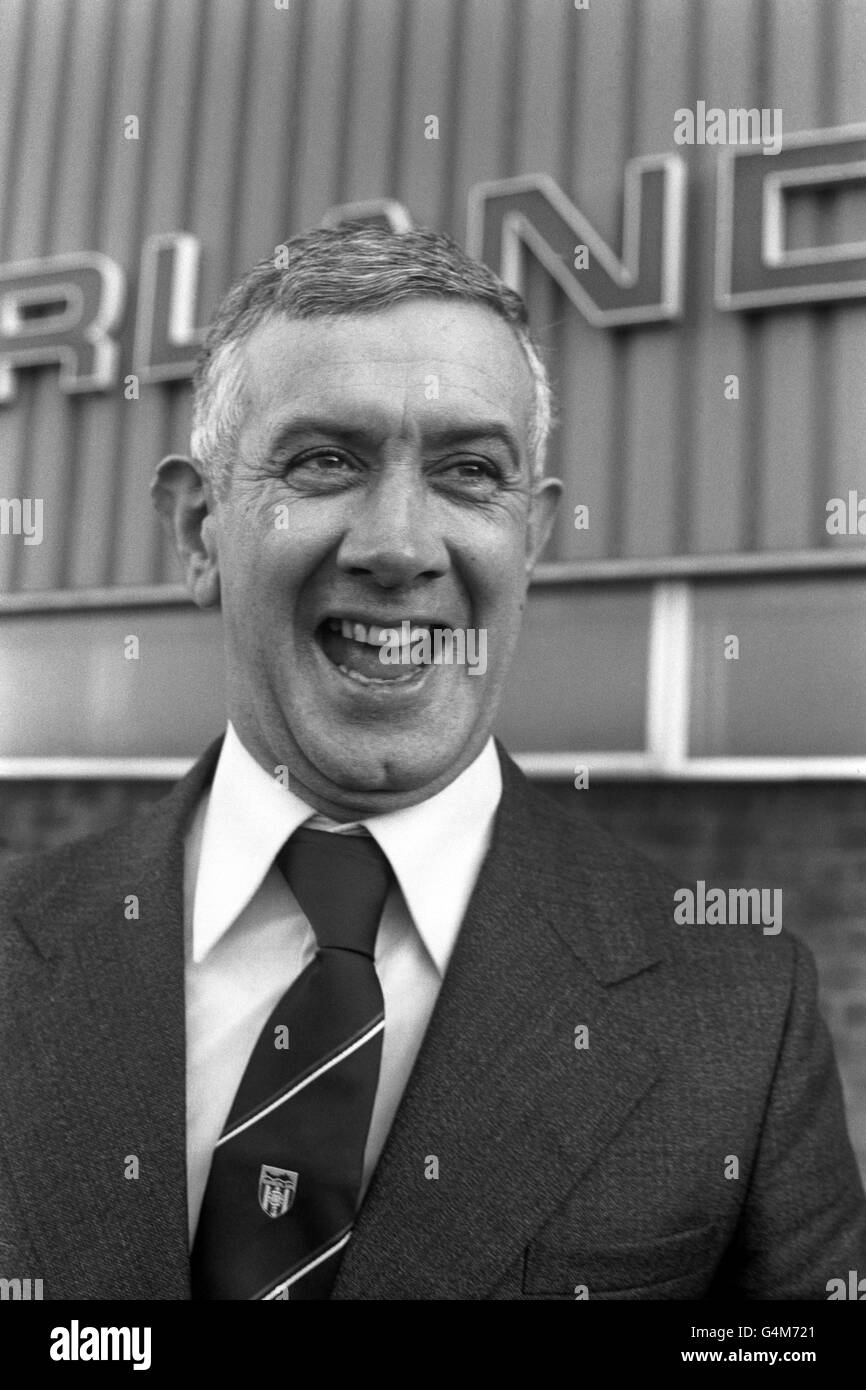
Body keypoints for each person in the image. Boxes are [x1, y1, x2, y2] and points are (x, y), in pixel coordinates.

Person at [0, 224, 864, 1301]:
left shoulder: (739, 1008)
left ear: (531, 539)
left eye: (467, 471)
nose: (399, 546)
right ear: (197, 530)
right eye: (324, 460)